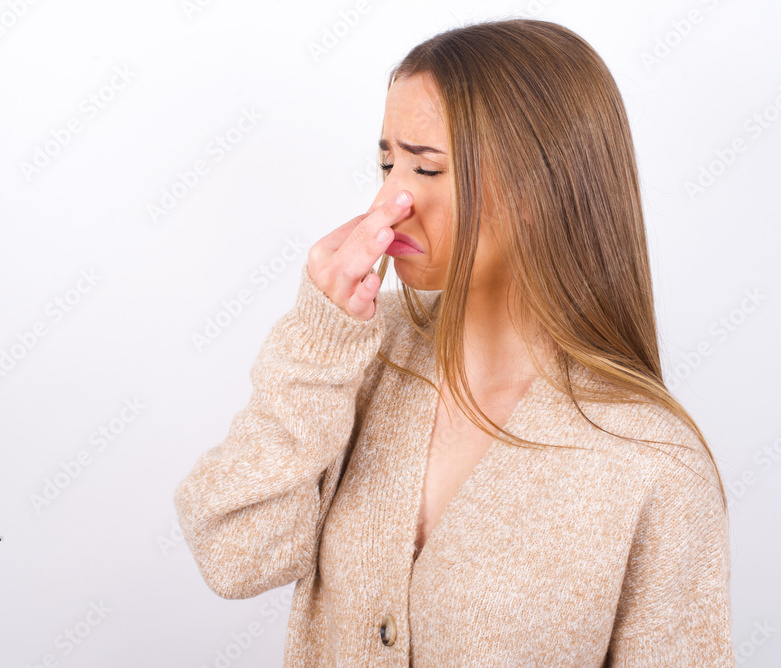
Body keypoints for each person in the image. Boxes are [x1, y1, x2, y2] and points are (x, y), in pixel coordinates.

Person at [174, 18, 734, 667]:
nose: (390, 198)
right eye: (387, 163)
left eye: (427, 167)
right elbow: (234, 554)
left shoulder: (652, 460)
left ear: (541, 186)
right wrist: (319, 344)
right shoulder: (360, 353)